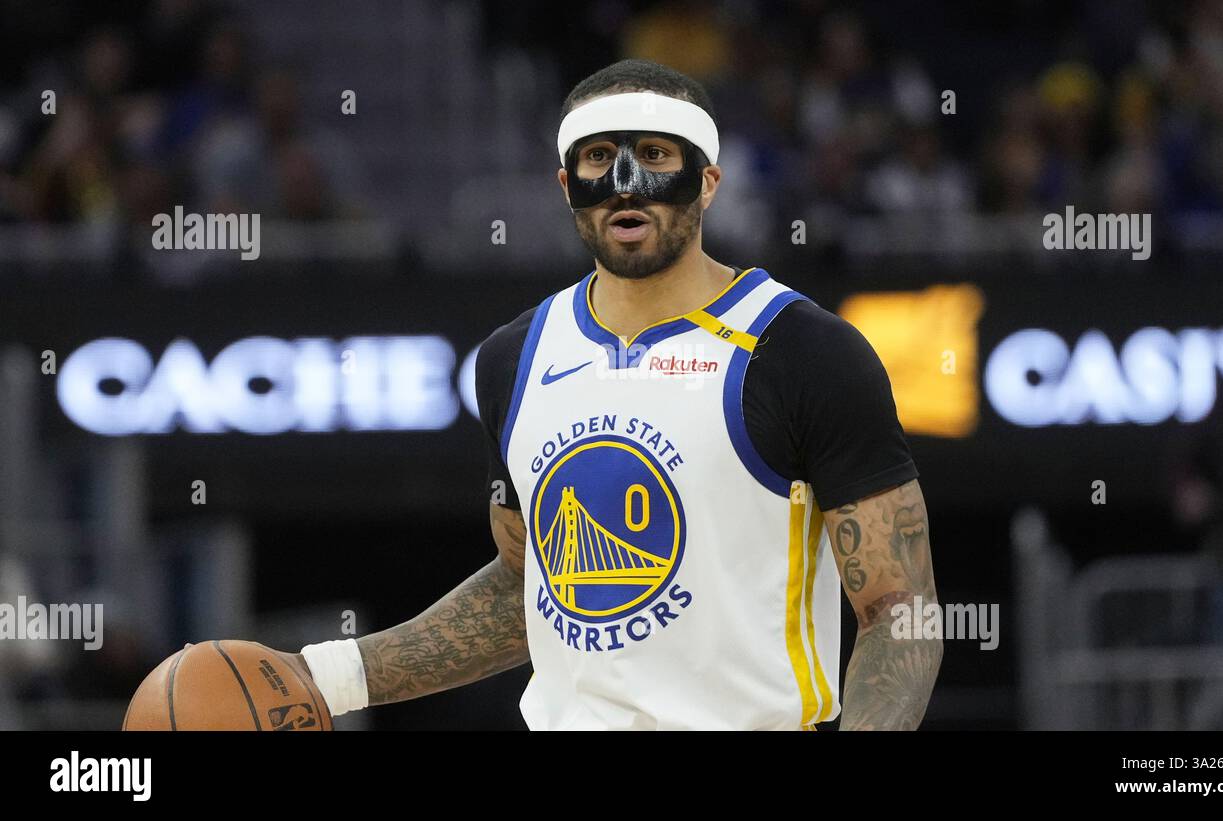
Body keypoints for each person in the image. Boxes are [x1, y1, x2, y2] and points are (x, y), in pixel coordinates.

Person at [284, 59, 941, 730]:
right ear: (569, 185)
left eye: (653, 154)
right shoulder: (514, 356)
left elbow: (898, 610)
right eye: (600, 158)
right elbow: (527, 586)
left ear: (708, 182)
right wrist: (326, 676)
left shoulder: (804, 350)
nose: (626, 183)